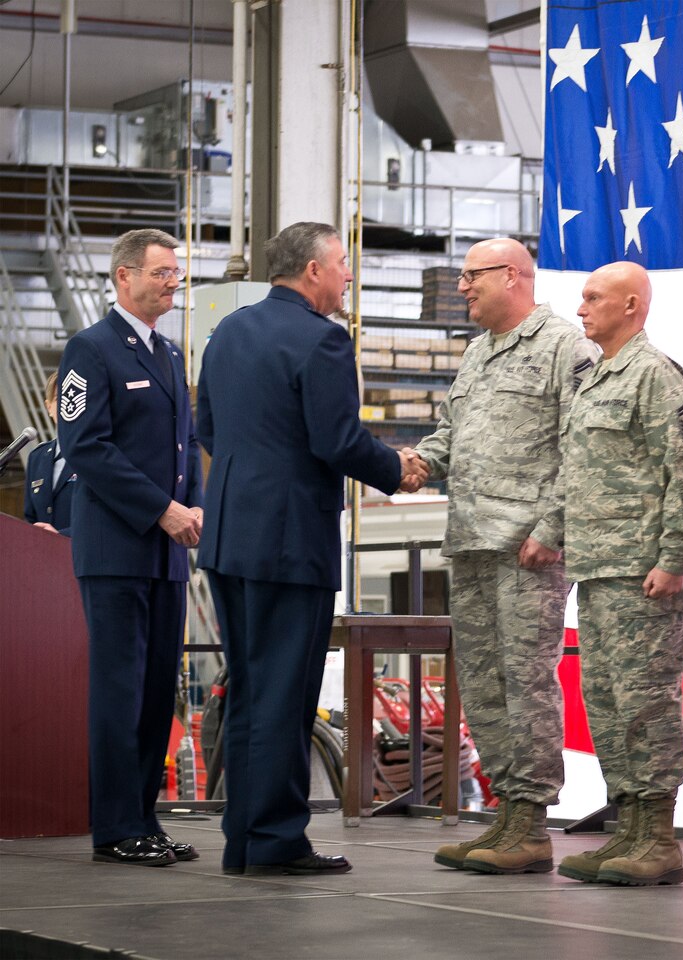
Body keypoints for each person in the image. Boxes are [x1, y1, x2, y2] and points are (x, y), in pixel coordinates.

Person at [196, 221, 425, 876]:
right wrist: (397, 468)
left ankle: (244, 839)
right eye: (343, 264)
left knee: (247, 690)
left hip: (230, 536)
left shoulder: (228, 332)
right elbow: (337, 440)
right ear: (313, 270)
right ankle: (275, 842)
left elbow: (206, 425)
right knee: (284, 695)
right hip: (290, 541)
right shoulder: (323, 339)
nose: (348, 275)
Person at [411, 238, 599, 875]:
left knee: (526, 683)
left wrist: (554, 526)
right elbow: (448, 438)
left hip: (528, 549)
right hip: (469, 542)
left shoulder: (563, 347)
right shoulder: (477, 352)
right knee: (485, 686)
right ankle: (504, 814)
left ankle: (532, 821)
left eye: (472, 277)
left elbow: (584, 446)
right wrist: (409, 463)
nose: (462, 287)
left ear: (513, 276)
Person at [556, 261, 683, 887]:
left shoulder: (654, 376)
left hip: (642, 572)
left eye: (594, 298)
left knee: (647, 702)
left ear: (631, 306)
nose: (582, 307)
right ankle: (630, 830)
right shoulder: (592, 380)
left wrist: (674, 558)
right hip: (597, 570)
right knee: (608, 704)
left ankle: (660, 839)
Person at [57, 228, 204, 867]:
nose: (174, 282)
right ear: (124, 276)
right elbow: (85, 446)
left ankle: (145, 818)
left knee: (153, 692)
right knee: (119, 690)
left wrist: (192, 506)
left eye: (176, 273)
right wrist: (162, 510)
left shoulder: (169, 354)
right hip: (117, 549)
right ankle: (115, 828)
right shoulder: (89, 349)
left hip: (167, 554)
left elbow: (182, 444)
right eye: (161, 272)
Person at [24, 371, 77, 536]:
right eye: (58, 398)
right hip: (42, 557)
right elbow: (30, 518)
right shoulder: (37, 458)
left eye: (71, 396)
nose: (65, 403)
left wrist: (62, 536)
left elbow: (104, 521)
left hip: (82, 556)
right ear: (48, 407)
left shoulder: (98, 453)